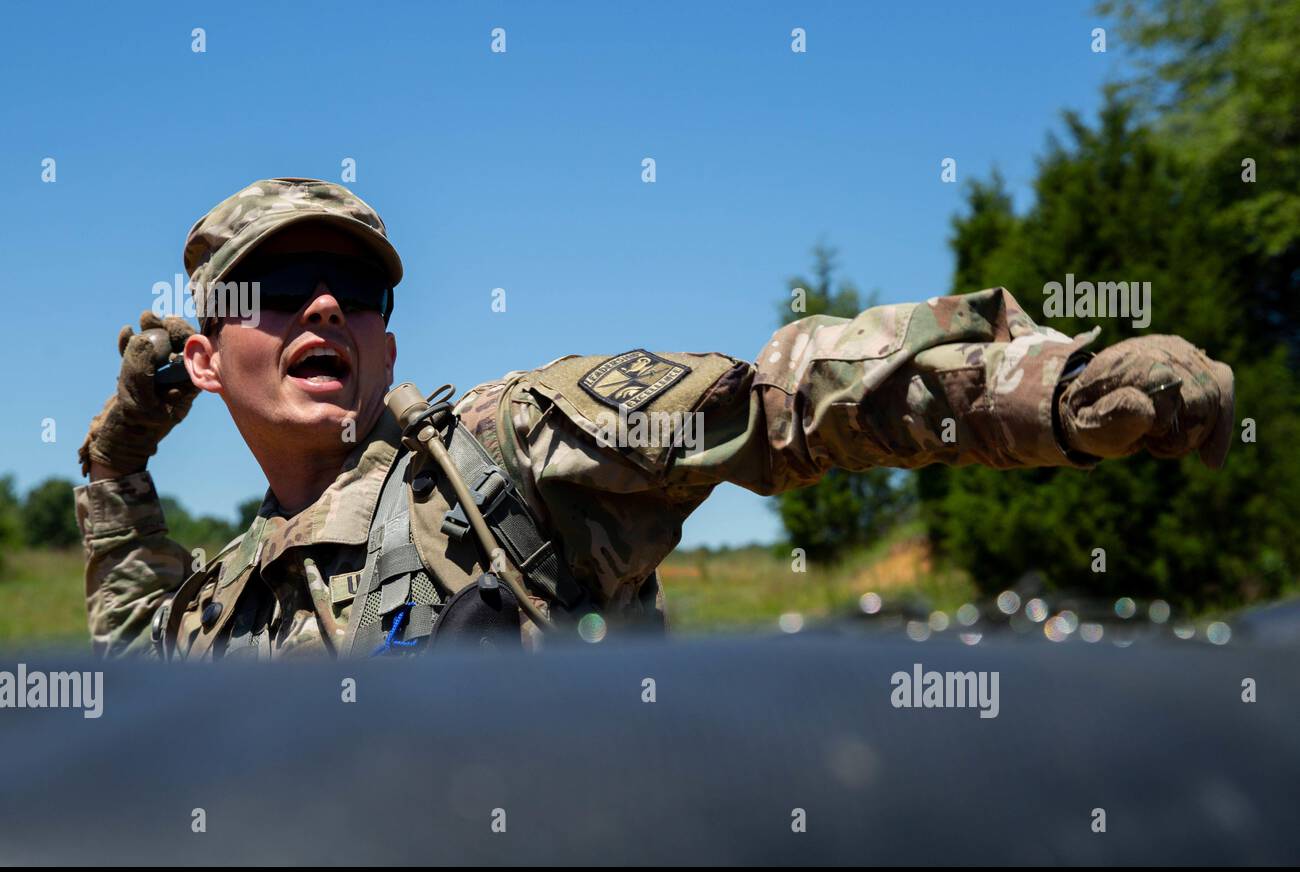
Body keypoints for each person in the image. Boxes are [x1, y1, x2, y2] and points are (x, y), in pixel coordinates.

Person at [75, 178, 1236, 660]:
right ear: (206, 354)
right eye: (276, 289)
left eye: (354, 287)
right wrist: (129, 427)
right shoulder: (214, 607)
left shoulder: (507, 454)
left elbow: (779, 403)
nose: (322, 301)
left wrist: (1043, 390)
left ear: (385, 340)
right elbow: (123, 627)